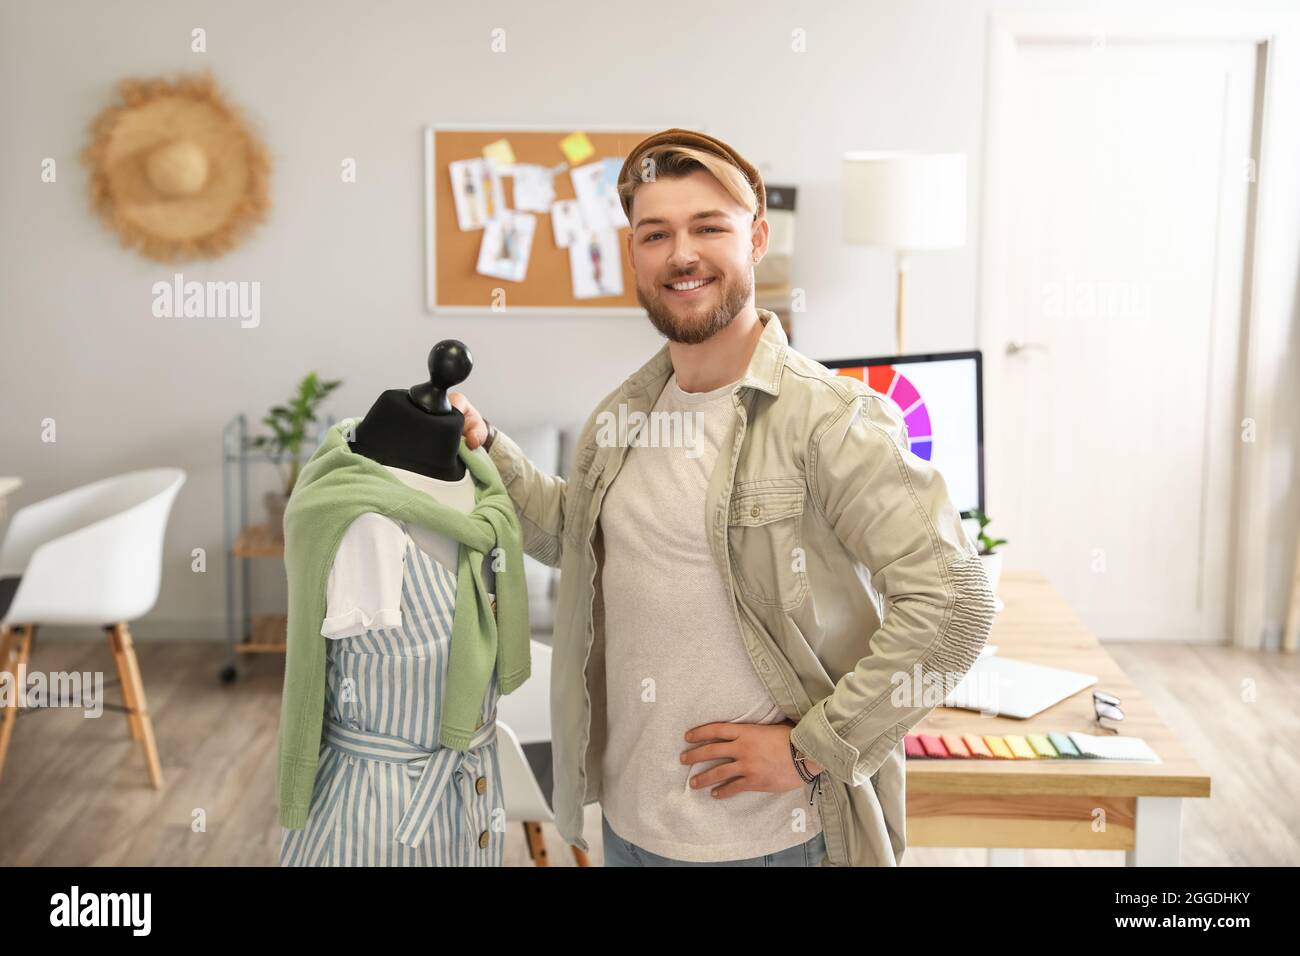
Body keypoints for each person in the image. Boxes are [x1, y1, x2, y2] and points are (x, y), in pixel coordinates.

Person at [450, 128, 997, 867]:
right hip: (631, 823)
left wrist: (814, 750)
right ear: (635, 254)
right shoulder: (624, 414)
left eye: (709, 227)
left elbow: (956, 603)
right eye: (656, 233)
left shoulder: (829, 417)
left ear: (757, 238)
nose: (682, 253)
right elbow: (576, 537)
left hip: (773, 840)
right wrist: (486, 450)